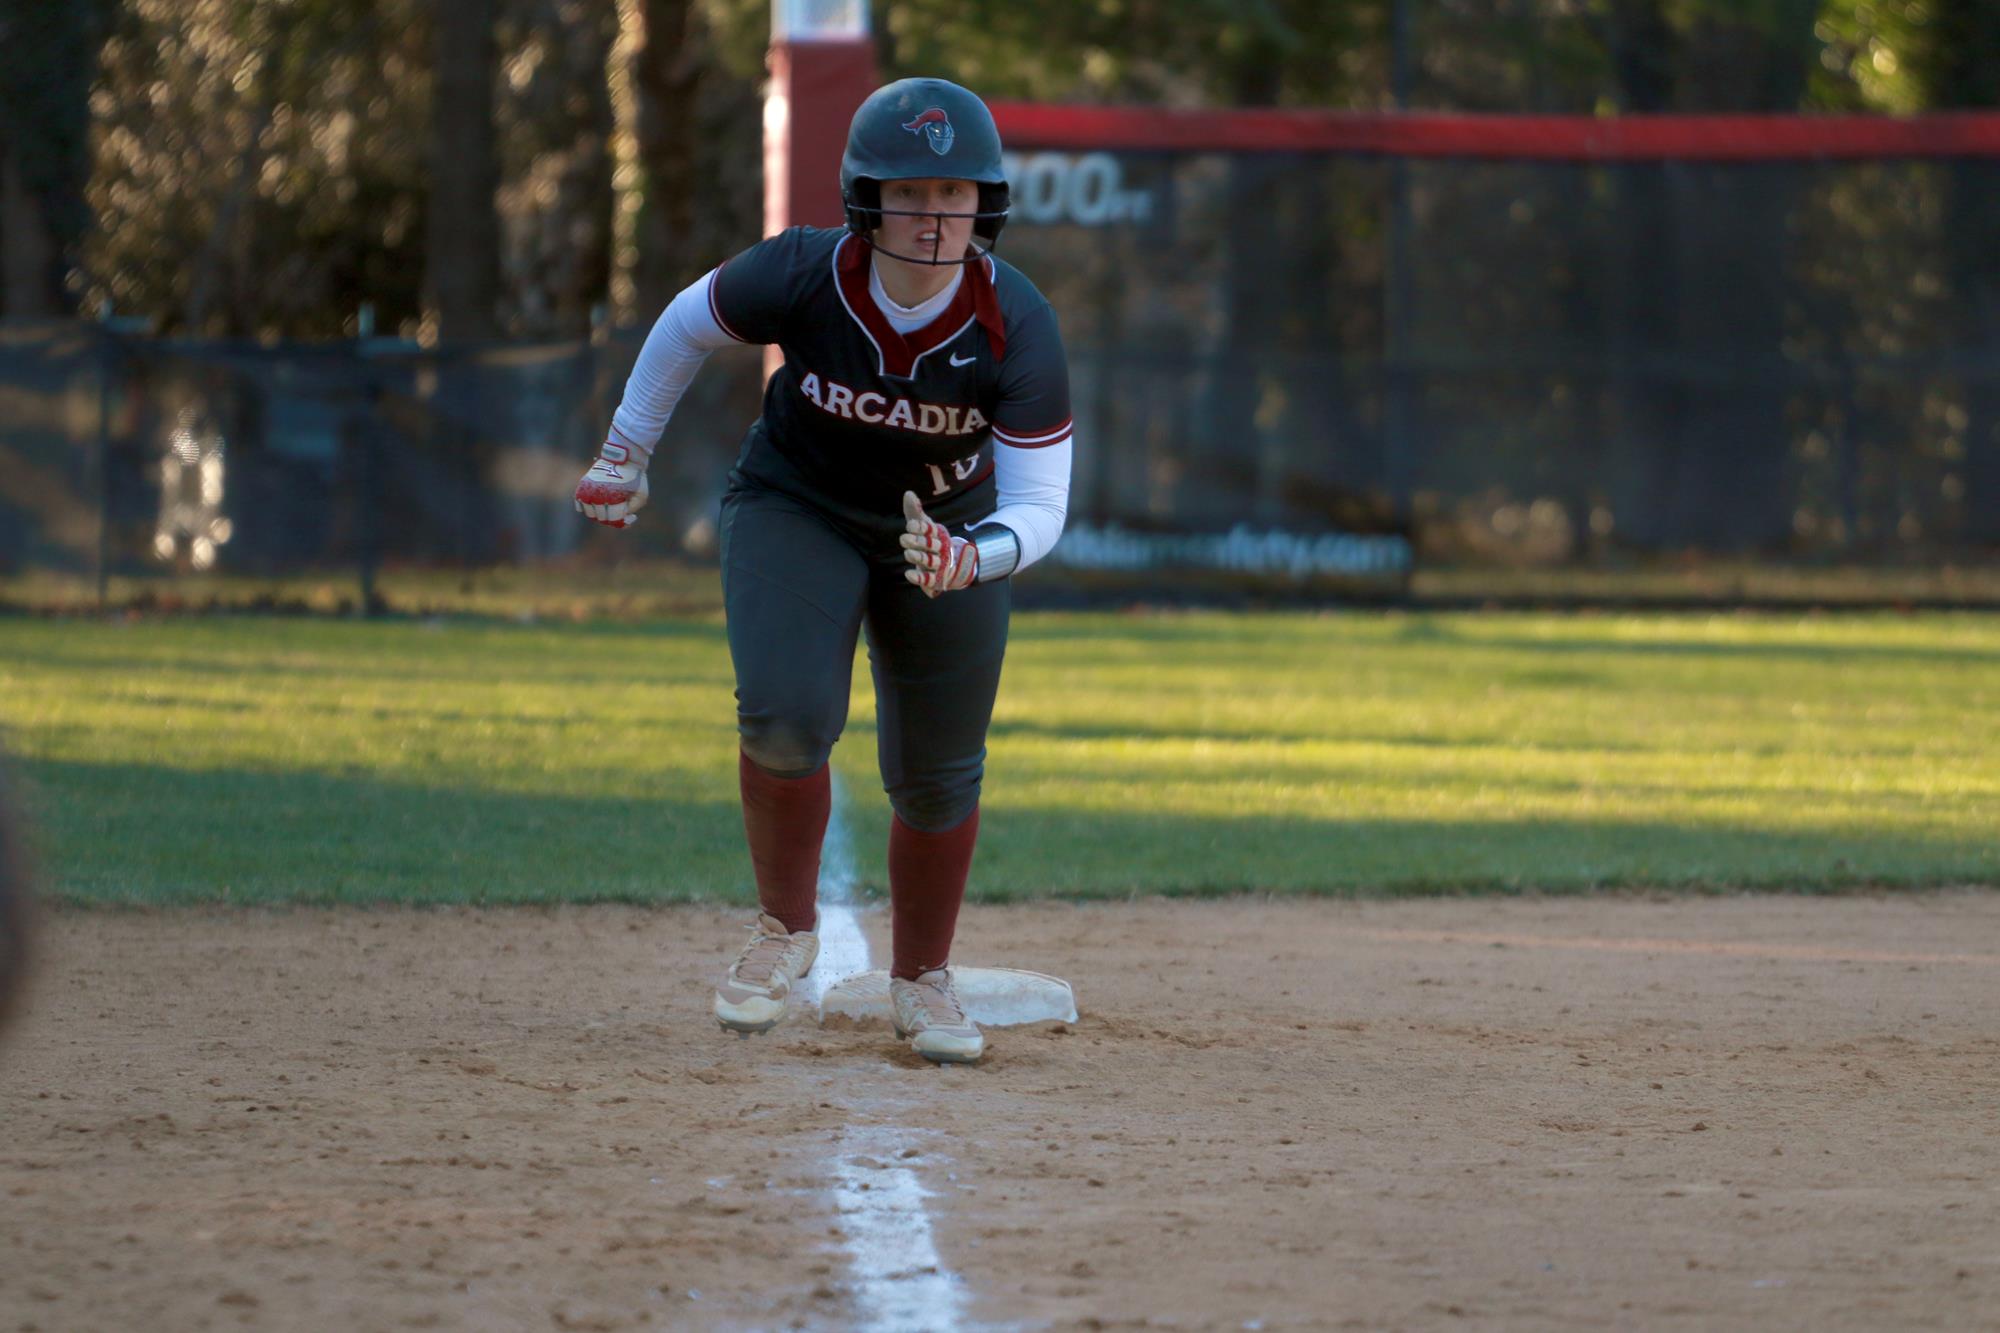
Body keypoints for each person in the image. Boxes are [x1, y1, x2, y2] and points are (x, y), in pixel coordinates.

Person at [575, 78, 1072, 1064]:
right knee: (783, 715)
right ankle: (781, 930)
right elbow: (686, 325)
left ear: (985, 203)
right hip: (795, 504)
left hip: (953, 534)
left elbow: (1042, 506)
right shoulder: (805, 272)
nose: (932, 217)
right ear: (864, 198)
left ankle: (922, 978)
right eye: (909, 192)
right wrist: (621, 453)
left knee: (934, 777)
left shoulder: (1016, 321)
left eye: (952, 194)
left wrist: (974, 556)